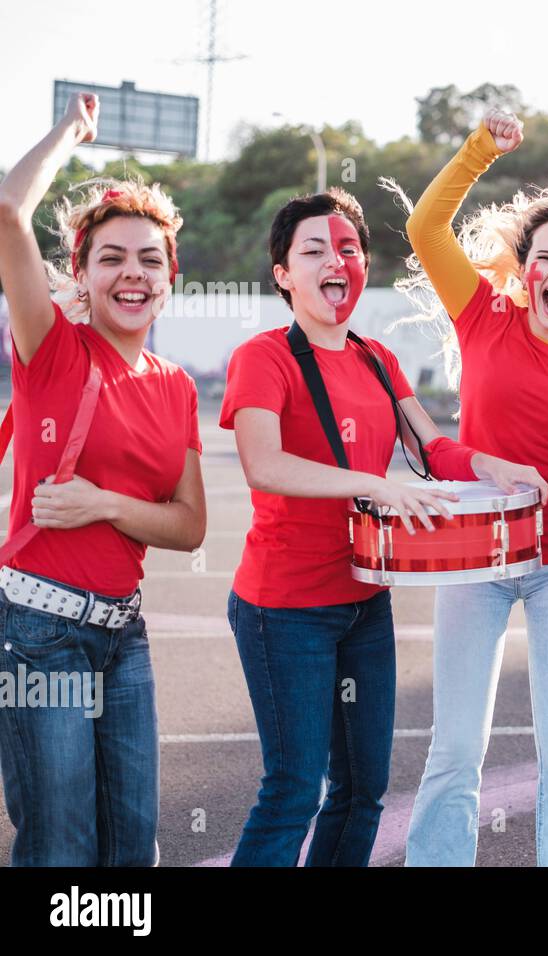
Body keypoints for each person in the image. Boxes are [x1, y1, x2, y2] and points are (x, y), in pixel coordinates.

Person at [222, 187, 540, 866]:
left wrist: (493, 465)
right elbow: (263, 464)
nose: (335, 260)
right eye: (313, 250)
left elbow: (431, 450)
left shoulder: (376, 358)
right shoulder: (263, 357)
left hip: (365, 603)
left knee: (364, 788)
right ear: (283, 274)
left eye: (348, 248)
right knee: (292, 790)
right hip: (285, 610)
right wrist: (372, 484)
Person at [398, 107, 548, 866]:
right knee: (455, 748)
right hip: (475, 561)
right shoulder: (484, 318)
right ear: (524, 264)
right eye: (547, 257)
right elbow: (425, 231)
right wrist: (480, 151)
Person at [0, 93, 206, 865]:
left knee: (130, 848)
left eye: (150, 259)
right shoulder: (52, 347)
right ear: (80, 277)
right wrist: (69, 133)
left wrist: (103, 504)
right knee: (61, 846)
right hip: (36, 637)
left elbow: (188, 526)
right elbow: (7, 211)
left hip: (124, 635)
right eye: (111, 257)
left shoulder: (177, 384)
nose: (133, 273)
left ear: (169, 278)